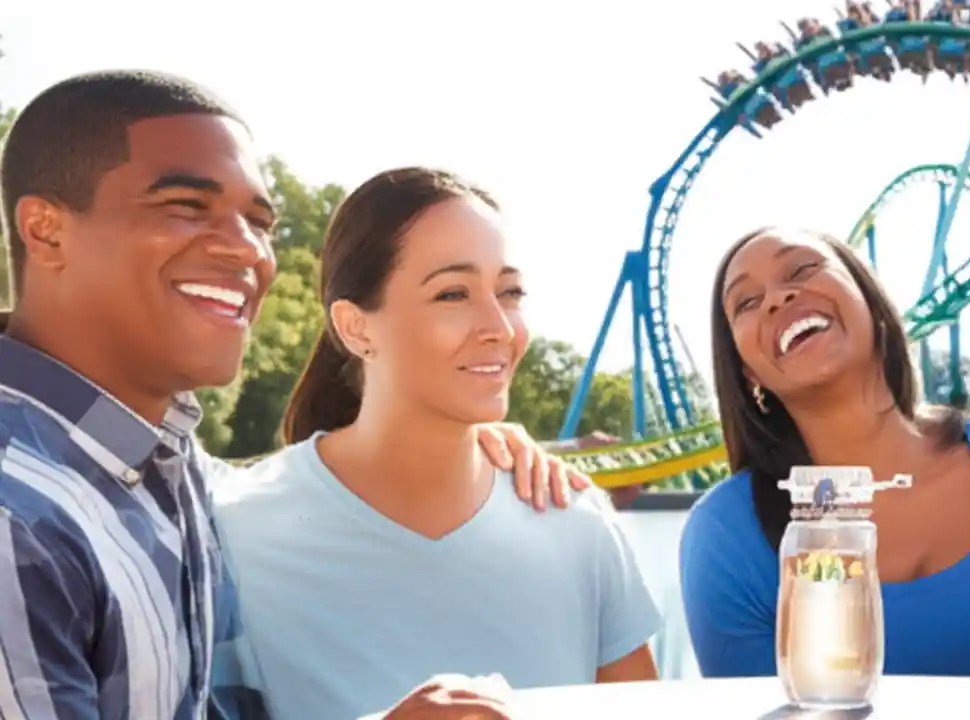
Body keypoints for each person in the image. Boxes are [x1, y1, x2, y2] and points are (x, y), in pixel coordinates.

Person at [0, 70, 586, 720]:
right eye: (185, 206)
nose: (247, 249)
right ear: (47, 230)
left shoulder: (163, 463)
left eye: (259, 221)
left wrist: (465, 441)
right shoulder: (18, 521)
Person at [211, 166, 662, 720]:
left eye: (510, 291)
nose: (498, 325)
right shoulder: (234, 528)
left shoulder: (578, 521)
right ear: (355, 328)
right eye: (453, 293)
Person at [679, 227, 970, 679]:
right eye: (746, 303)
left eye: (803, 268)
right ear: (747, 372)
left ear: (869, 298)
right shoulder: (726, 534)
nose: (776, 298)